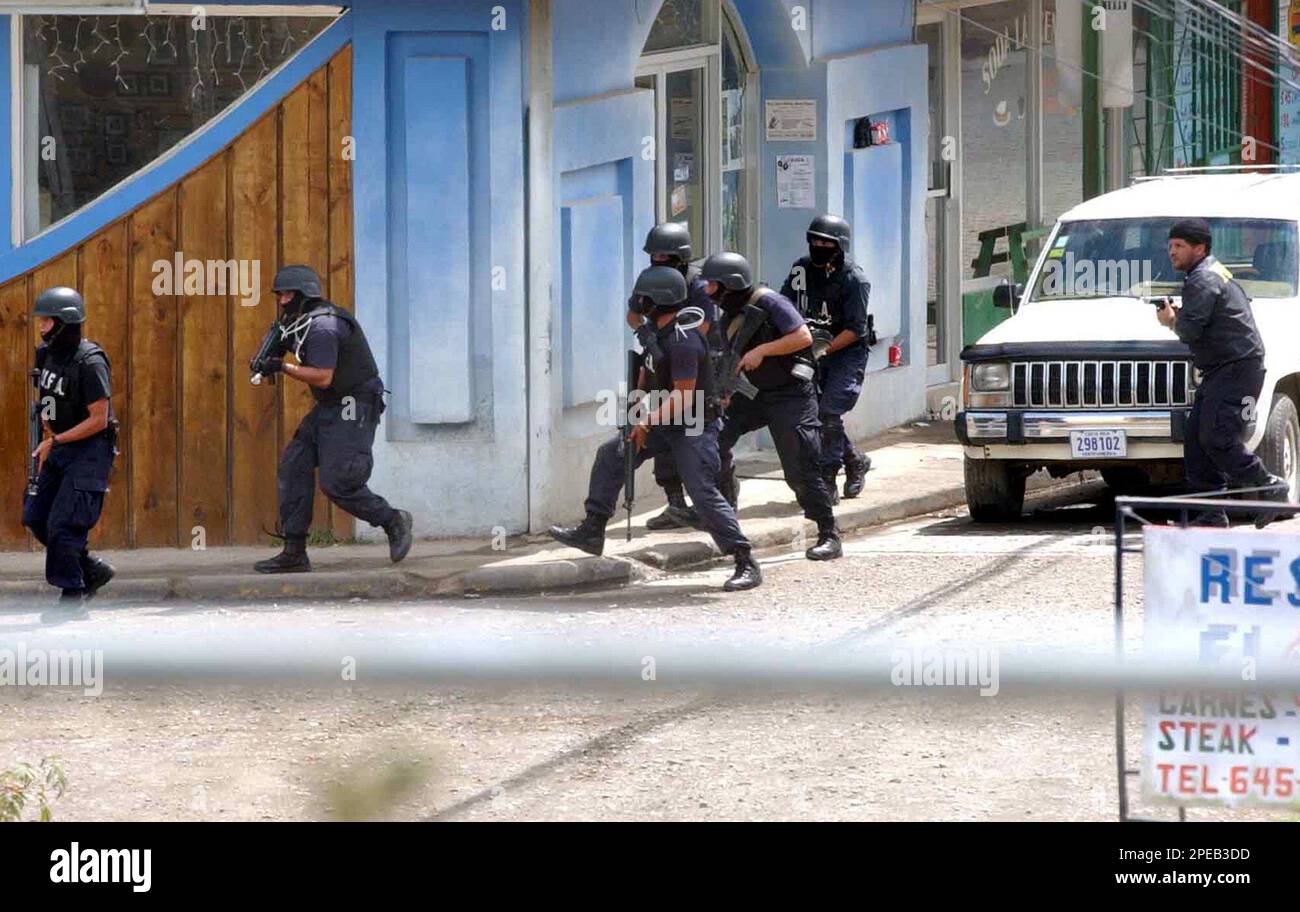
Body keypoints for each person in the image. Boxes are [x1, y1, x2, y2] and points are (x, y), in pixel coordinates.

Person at [551, 265, 762, 591]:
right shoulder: (659, 334)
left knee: (702, 491)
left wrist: (647, 422)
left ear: (657, 301)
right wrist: (636, 415)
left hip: (694, 426)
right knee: (614, 454)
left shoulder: (684, 339)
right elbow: (648, 373)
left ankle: (744, 558)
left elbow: (683, 395)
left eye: (641, 298)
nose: (636, 303)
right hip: (667, 422)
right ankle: (593, 530)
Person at [251, 265, 414, 572]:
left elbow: (323, 377)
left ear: (304, 294)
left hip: (354, 405)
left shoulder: (325, 326)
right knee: (293, 467)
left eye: (288, 294)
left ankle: (392, 520)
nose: (283, 300)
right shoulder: (299, 322)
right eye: (280, 294)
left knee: (338, 480)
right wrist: (268, 351)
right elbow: (285, 339)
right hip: (329, 406)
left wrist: (282, 367)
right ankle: (294, 552)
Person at [702, 252, 842, 561]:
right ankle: (726, 515)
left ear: (730, 284)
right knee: (714, 442)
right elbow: (729, 359)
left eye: (713, 285)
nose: (708, 291)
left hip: (791, 393)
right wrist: (724, 391)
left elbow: (803, 337)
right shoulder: (728, 317)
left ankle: (828, 533)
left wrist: (764, 350)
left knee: (799, 464)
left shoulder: (771, 302)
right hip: (753, 392)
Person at [1155, 218, 1288, 526]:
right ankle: (1210, 513)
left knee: (1218, 438)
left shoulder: (1202, 279)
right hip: (1225, 368)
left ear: (1199, 248)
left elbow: (1189, 331)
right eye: (1170, 245)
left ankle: (1270, 486)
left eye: (1179, 246)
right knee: (1197, 441)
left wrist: (1171, 320)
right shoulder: (1211, 272)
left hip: (1236, 368)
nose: (1171, 252)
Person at [23, 287, 117, 619]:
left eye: (47, 321)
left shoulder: (90, 362)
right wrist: (47, 437)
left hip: (90, 449)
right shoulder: (46, 355)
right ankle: (90, 569)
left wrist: (57, 442)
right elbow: (49, 401)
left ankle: (73, 596)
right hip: (60, 444)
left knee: (64, 523)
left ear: (65, 322)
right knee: (35, 516)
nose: (42, 327)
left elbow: (99, 419)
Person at [627, 222, 721, 531]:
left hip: (696, 365)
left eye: (664, 255)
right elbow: (633, 313)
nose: (657, 260)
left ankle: (718, 506)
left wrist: (667, 339)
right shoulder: (652, 281)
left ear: (680, 257)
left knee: (705, 439)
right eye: (653, 255)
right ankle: (675, 505)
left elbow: (702, 329)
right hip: (660, 363)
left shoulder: (697, 284)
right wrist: (647, 337)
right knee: (662, 433)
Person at [781, 214, 872, 505]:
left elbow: (856, 330)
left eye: (826, 242)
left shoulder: (854, 280)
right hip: (810, 349)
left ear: (839, 246)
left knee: (829, 412)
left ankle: (828, 478)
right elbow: (786, 305)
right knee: (816, 414)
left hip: (846, 352)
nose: (818, 246)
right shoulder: (802, 269)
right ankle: (855, 460)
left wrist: (823, 348)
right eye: (815, 240)